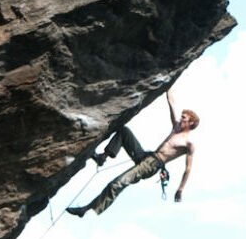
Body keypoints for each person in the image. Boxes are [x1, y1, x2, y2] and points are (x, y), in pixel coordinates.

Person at [67, 91, 198, 217]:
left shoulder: (188, 144)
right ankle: (103, 157)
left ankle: (86, 210)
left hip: (152, 165)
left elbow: (188, 169)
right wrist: (170, 82)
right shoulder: (176, 127)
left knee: (116, 184)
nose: (180, 119)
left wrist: (180, 189)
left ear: (191, 123)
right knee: (124, 131)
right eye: (181, 117)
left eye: (184, 118)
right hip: (146, 156)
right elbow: (171, 102)